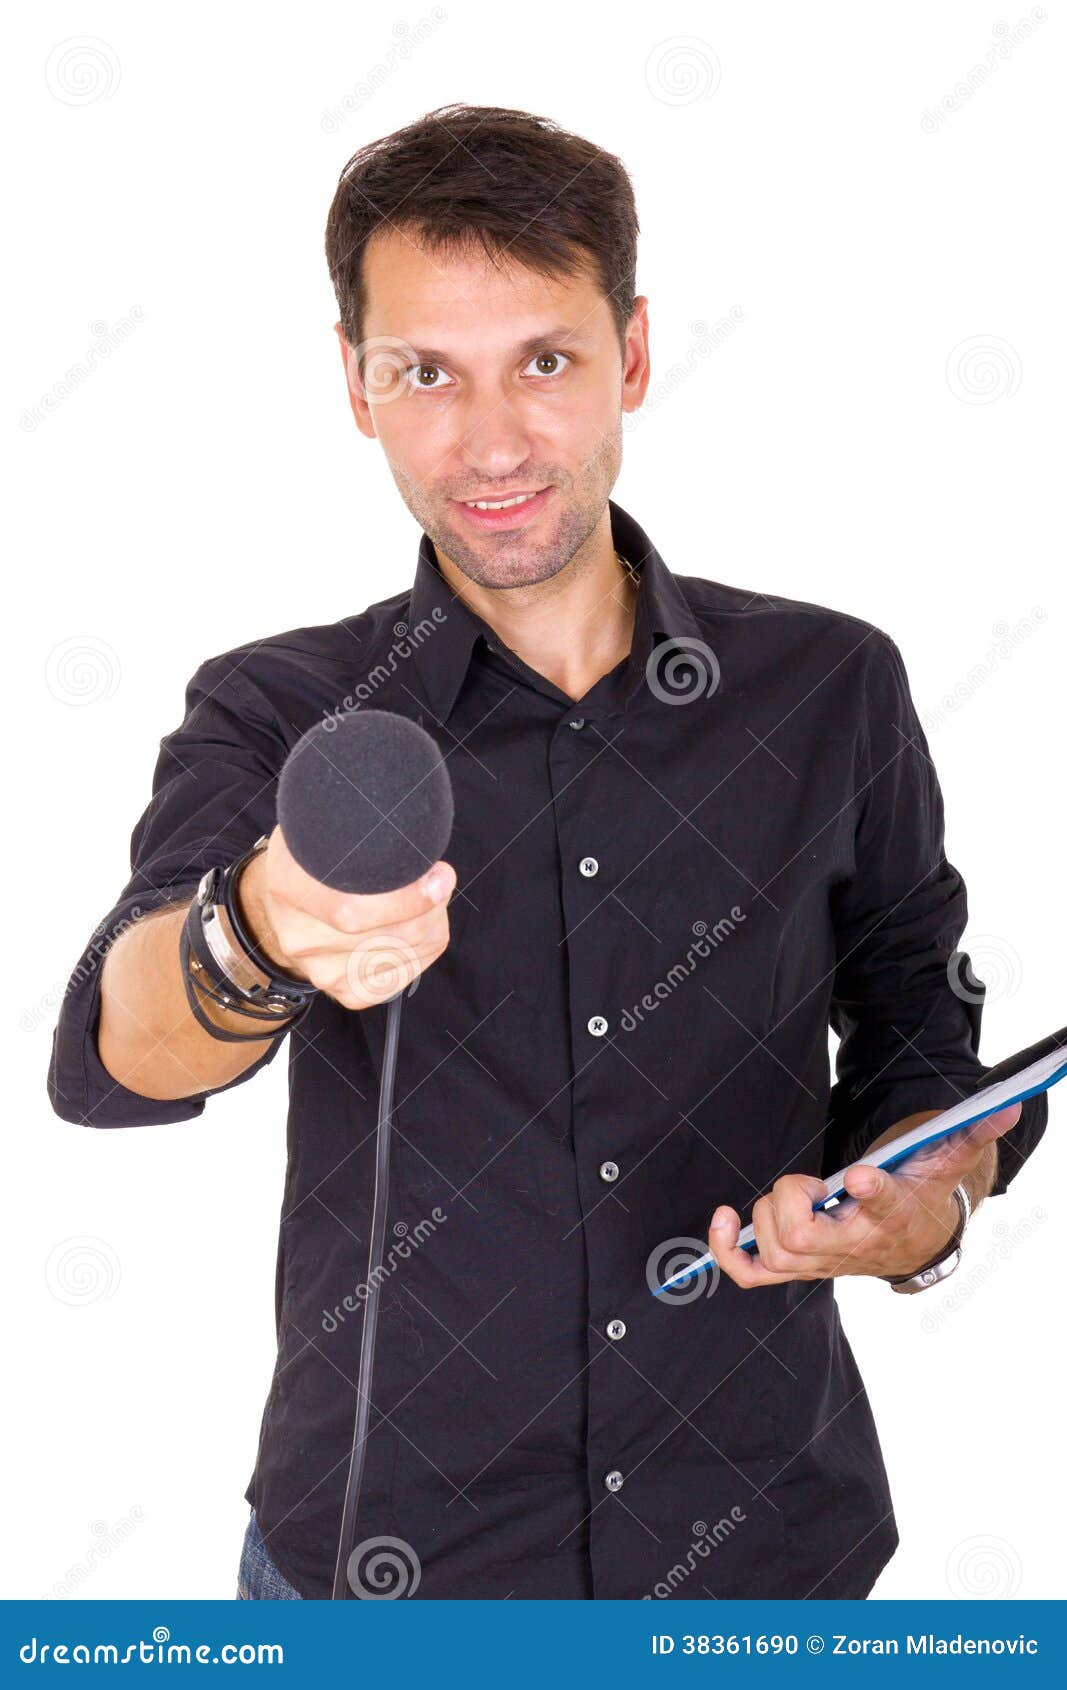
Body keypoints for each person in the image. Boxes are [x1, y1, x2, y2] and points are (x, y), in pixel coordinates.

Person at [48, 103, 1045, 1602]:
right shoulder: (282, 709)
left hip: (762, 1561)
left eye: (547, 362)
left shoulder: (830, 686)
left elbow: (918, 1021)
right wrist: (252, 934)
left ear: (632, 354)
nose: (494, 441)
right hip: (385, 1589)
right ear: (355, 382)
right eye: (427, 373)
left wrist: (929, 1205)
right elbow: (119, 1055)